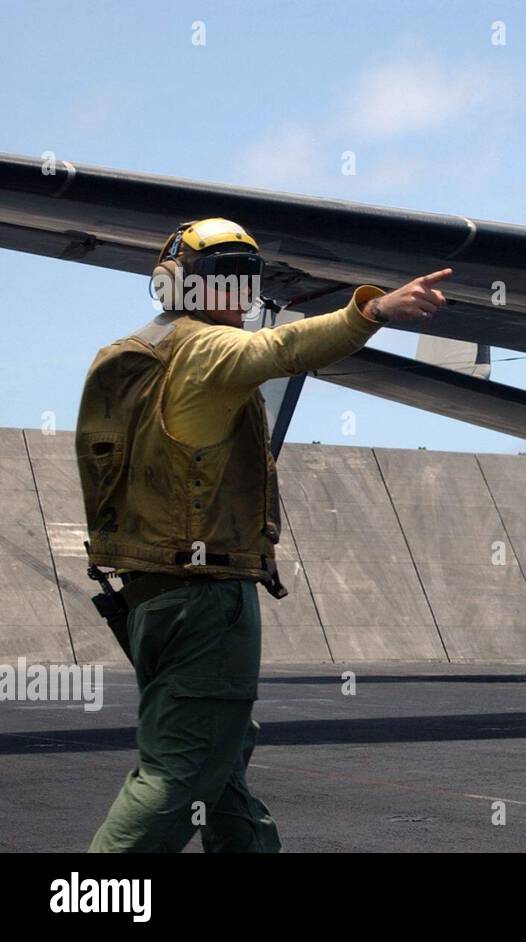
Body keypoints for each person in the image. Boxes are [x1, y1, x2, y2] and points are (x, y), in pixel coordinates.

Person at [77, 217, 452, 851]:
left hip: (149, 595)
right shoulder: (205, 352)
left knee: (217, 761)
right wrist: (373, 310)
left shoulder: (132, 357)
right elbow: (279, 351)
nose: (238, 294)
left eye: (245, 279)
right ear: (179, 285)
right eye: (222, 279)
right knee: (179, 772)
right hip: (206, 596)